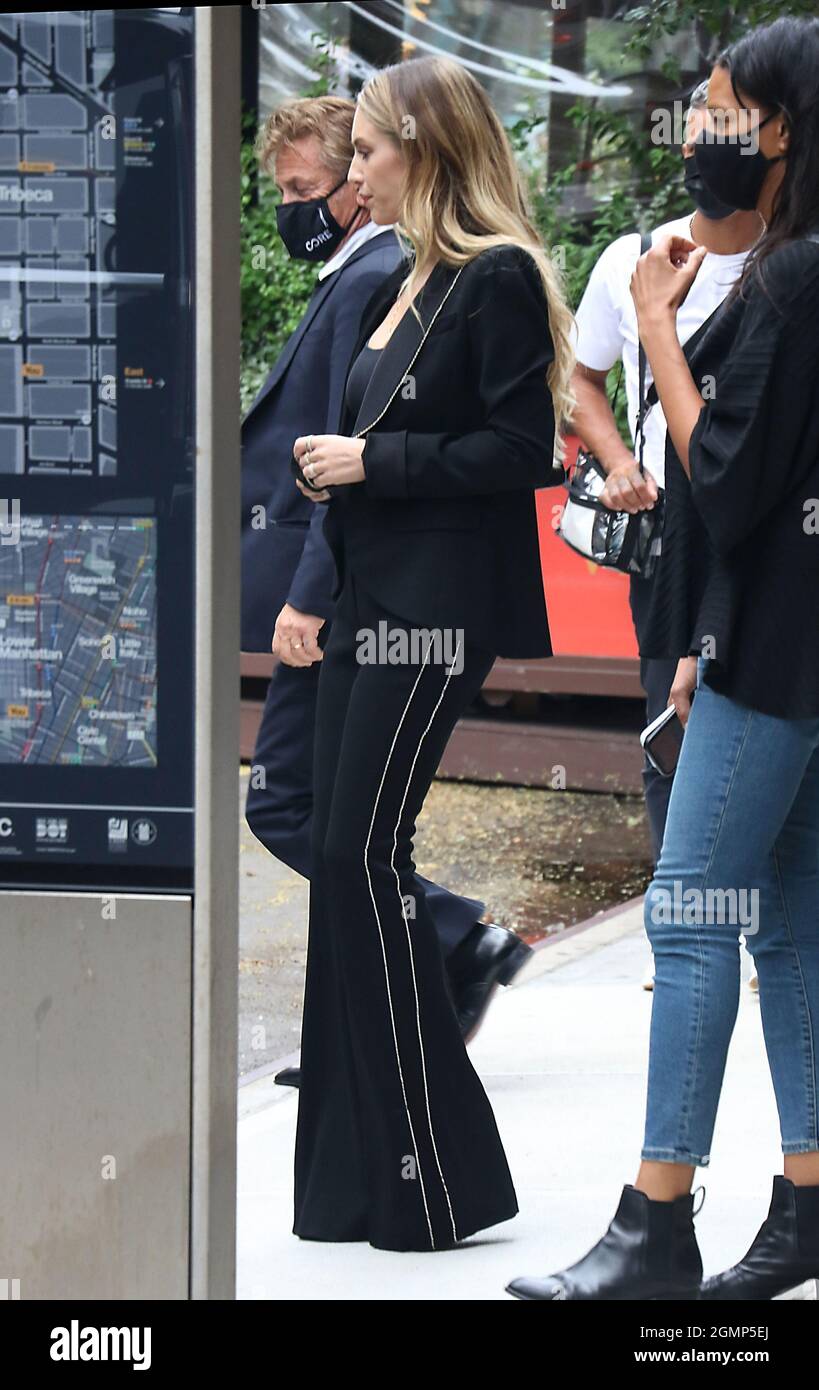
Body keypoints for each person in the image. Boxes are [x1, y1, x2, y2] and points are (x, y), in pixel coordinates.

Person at [507, 15, 819, 1300]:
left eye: (714, 104)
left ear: (779, 130)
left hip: (775, 658)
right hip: (775, 644)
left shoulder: (794, 282)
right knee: (792, 929)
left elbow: (730, 480)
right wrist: (697, 635)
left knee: (691, 912)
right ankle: (805, 1206)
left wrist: (655, 325)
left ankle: (656, 1220)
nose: (696, 125)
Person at [290, 53, 574, 1252]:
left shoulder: (494, 276)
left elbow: (524, 449)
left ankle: (437, 1175)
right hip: (370, 599)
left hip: (434, 611)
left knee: (360, 856)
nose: (352, 176)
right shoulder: (407, 278)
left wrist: (374, 462)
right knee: (333, 851)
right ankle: (359, 1174)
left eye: (365, 150)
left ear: (426, 147)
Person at [240, 97, 533, 1092]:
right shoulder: (383, 281)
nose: (338, 187)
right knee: (335, 827)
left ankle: (441, 965)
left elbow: (500, 449)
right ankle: (404, 1002)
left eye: (348, 163)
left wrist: (312, 591)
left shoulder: (444, 278)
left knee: (324, 822)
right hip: (360, 592)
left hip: (381, 601)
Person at [571, 79, 758, 878]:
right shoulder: (633, 257)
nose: (694, 149)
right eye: (688, 134)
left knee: (765, 729)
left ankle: (757, 922)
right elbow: (579, 380)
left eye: (713, 128)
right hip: (670, 540)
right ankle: (678, 912)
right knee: (668, 731)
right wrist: (616, 462)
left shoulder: (790, 265)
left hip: (764, 531)